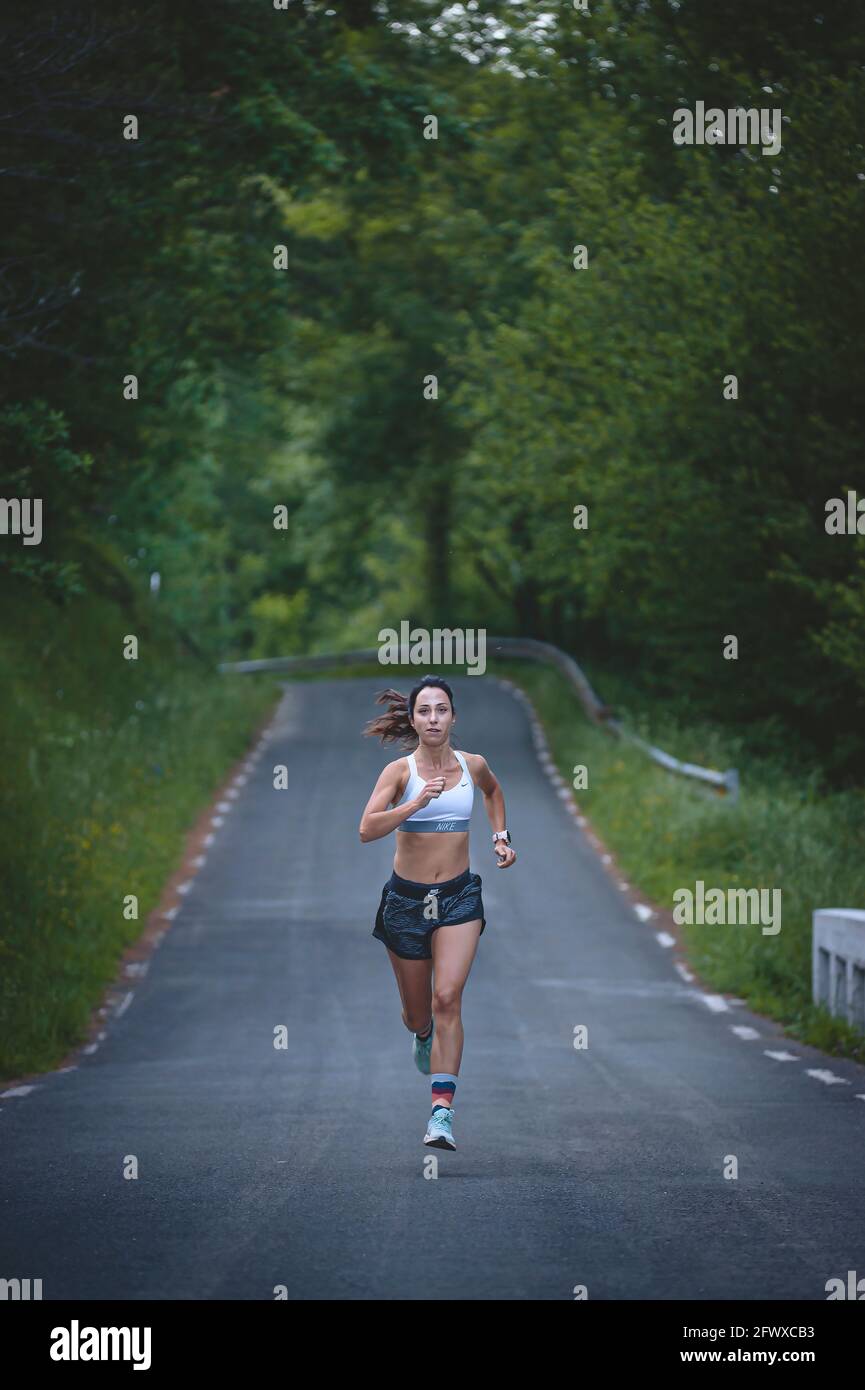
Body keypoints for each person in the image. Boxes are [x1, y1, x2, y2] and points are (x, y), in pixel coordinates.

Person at [359, 674, 516, 1150]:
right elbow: (367, 829)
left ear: (453, 716)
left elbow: (492, 792)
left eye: (441, 709)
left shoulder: (473, 765)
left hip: (458, 897)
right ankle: (422, 1032)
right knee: (417, 1013)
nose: (433, 718)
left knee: (448, 996)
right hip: (406, 902)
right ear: (413, 718)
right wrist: (414, 804)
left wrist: (500, 837)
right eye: (424, 710)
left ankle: (441, 1113)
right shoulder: (400, 774)